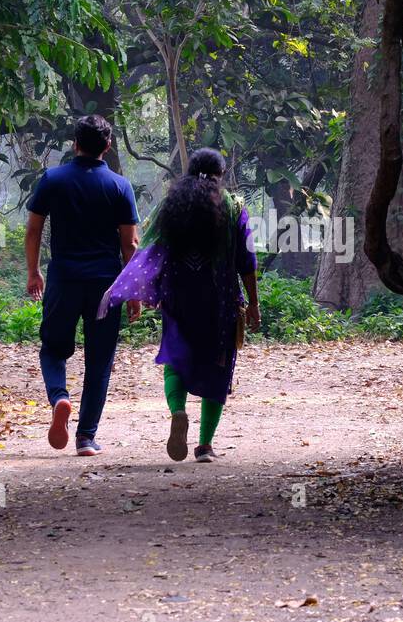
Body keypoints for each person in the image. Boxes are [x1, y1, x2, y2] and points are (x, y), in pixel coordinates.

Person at [99, 148, 260, 463]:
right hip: (220, 301)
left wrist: (134, 290)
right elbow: (247, 260)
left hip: (179, 296)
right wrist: (253, 302)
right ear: (220, 176)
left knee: (175, 356)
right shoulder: (234, 207)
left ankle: (178, 411)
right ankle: (205, 446)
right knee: (218, 365)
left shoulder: (170, 206)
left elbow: (147, 250)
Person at [24, 114, 141, 456]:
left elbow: (32, 230)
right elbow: (130, 246)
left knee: (53, 348)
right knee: (99, 360)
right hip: (106, 284)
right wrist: (132, 290)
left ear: (74, 143)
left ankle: (60, 396)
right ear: (107, 146)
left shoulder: (53, 179)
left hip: (63, 278)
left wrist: (33, 273)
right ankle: (86, 438)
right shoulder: (120, 186)